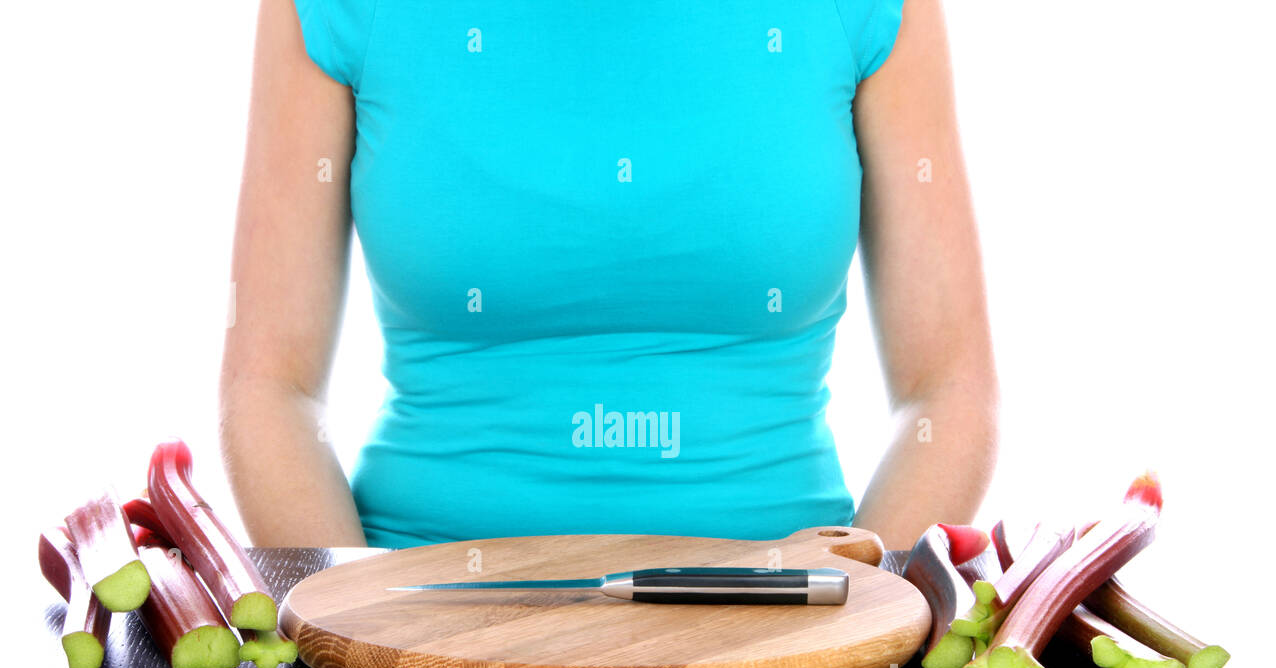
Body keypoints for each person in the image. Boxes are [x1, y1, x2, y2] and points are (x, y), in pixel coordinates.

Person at [220, 0, 997, 551]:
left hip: (791, 641)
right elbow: (268, 389)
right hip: (409, 637)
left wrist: (857, 600)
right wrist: (356, 628)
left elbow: (951, 389)